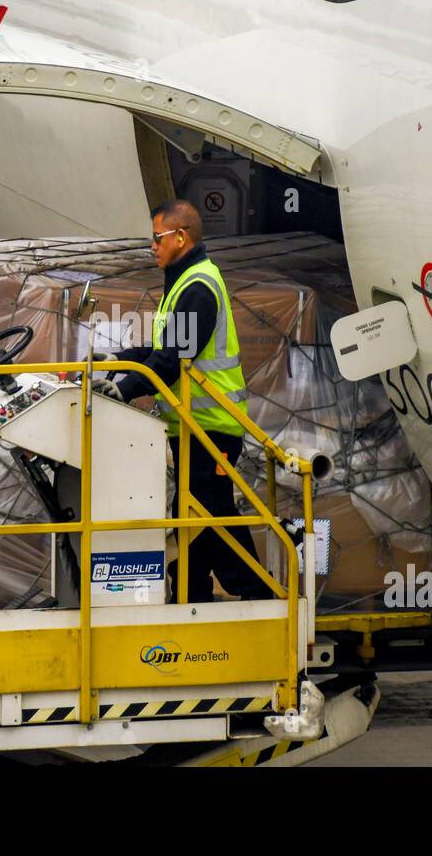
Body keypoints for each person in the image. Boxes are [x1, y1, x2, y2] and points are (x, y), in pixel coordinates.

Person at [92, 199, 271, 602]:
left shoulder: (197, 287)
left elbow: (173, 360)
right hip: (191, 426)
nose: (152, 246)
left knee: (211, 512)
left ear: (180, 237)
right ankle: (193, 594)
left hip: (211, 427)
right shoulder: (184, 283)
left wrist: (123, 389)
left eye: (157, 238)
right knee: (193, 514)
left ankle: (257, 593)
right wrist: (117, 360)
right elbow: (164, 350)